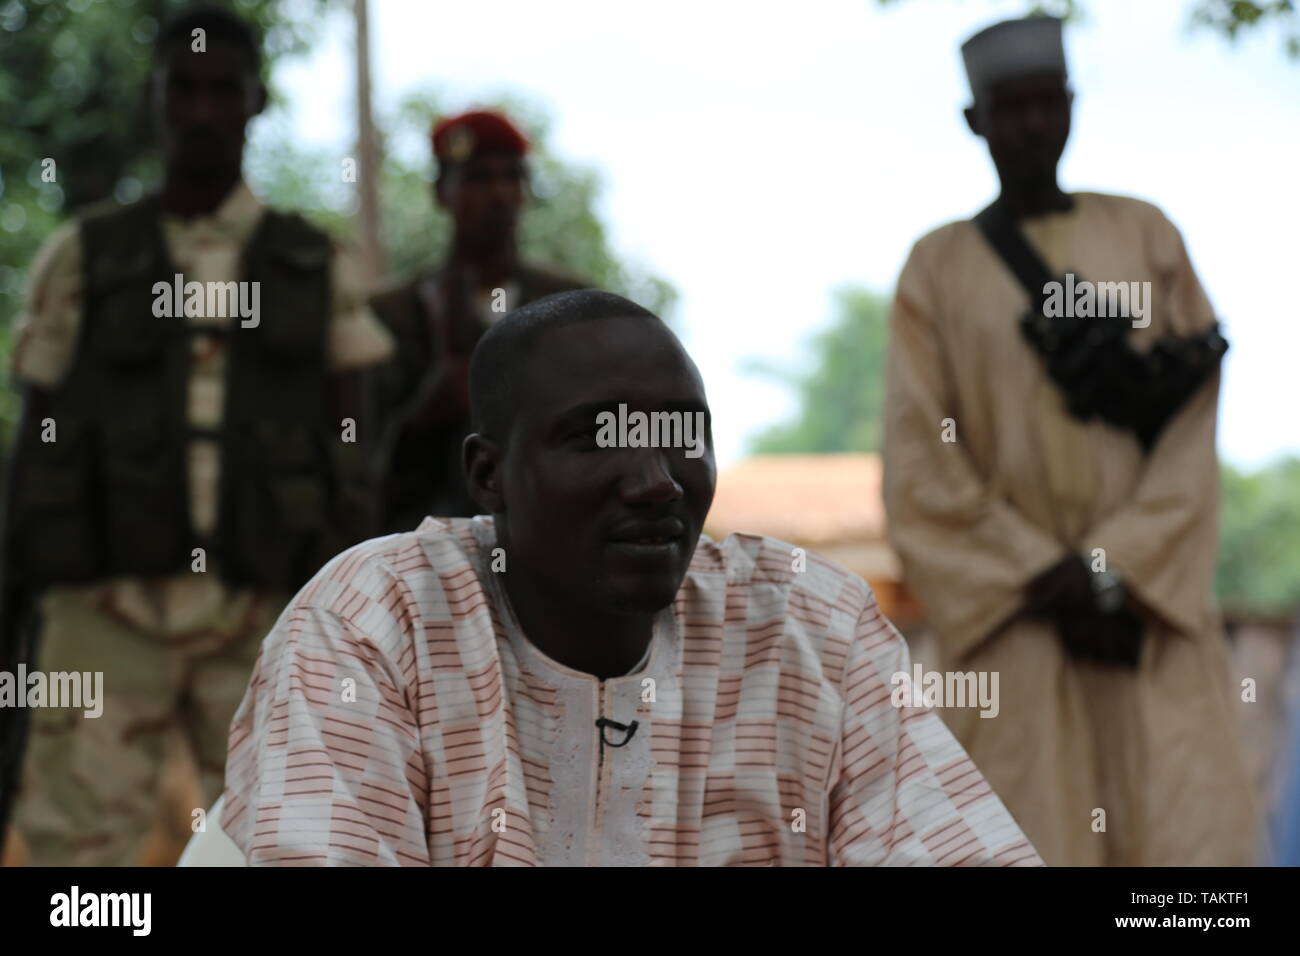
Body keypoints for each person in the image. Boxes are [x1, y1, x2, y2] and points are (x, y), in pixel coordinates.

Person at [215, 290, 1041, 866]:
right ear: (488, 475)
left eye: (682, 434)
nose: (655, 480)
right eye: (595, 438)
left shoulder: (811, 626)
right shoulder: (375, 623)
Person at [1, 5, 394, 866]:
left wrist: (344, 599)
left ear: (256, 101)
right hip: (106, 604)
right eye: (185, 89)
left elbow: (354, 439)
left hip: (265, 605)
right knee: (78, 861)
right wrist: (22, 579)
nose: (204, 110)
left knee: (283, 841)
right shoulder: (85, 255)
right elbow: (35, 435)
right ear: (157, 101)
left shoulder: (313, 264)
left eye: (225, 90)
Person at [881, 15, 1256, 866]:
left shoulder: (1147, 234)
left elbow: (1192, 432)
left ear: (1075, 107)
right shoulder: (935, 268)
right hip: (1018, 624)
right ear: (973, 121)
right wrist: (1044, 576)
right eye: (1009, 107)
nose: (1032, 124)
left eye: (1048, 103)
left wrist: (1111, 569)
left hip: (1145, 621)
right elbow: (918, 453)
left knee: (1180, 860)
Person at [370, 110, 586, 530]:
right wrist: (422, 415)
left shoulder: (569, 303)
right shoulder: (394, 311)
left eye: (511, 177)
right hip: (423, 542)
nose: (499, 194)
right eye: (478, 179)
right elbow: (359, 453)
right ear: (440, 193)